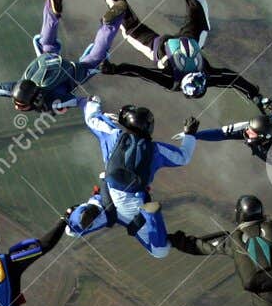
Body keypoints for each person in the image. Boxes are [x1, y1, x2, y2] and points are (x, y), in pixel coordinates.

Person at [88, 0, 272, 111]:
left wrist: (258, 97)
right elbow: (141, 72)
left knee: (199, 22)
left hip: (189, 41)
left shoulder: (208, 76)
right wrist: (114, 69)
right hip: (159, 47)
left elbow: (233, 79)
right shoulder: (171, 82)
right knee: (131, 29)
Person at [0, 0, 126, 114]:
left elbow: (79, 101)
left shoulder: (52, 102)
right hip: (48, 62)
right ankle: (51, 11)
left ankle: (109, 25)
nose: (16, 106)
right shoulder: (15, 88)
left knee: (95, 59)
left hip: (71, 73)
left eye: (20, 105)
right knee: (48, 46)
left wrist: (92, 104)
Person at [65, 97, 196, 259]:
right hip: (132, 205)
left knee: (71, 230)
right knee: (160, 251)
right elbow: (183, 157)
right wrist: (190, 135)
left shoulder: (113, 135)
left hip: (107, 195)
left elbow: (92, 119)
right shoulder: (156, 150)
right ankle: (150, 215)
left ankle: (86, 211)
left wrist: (91, 102)